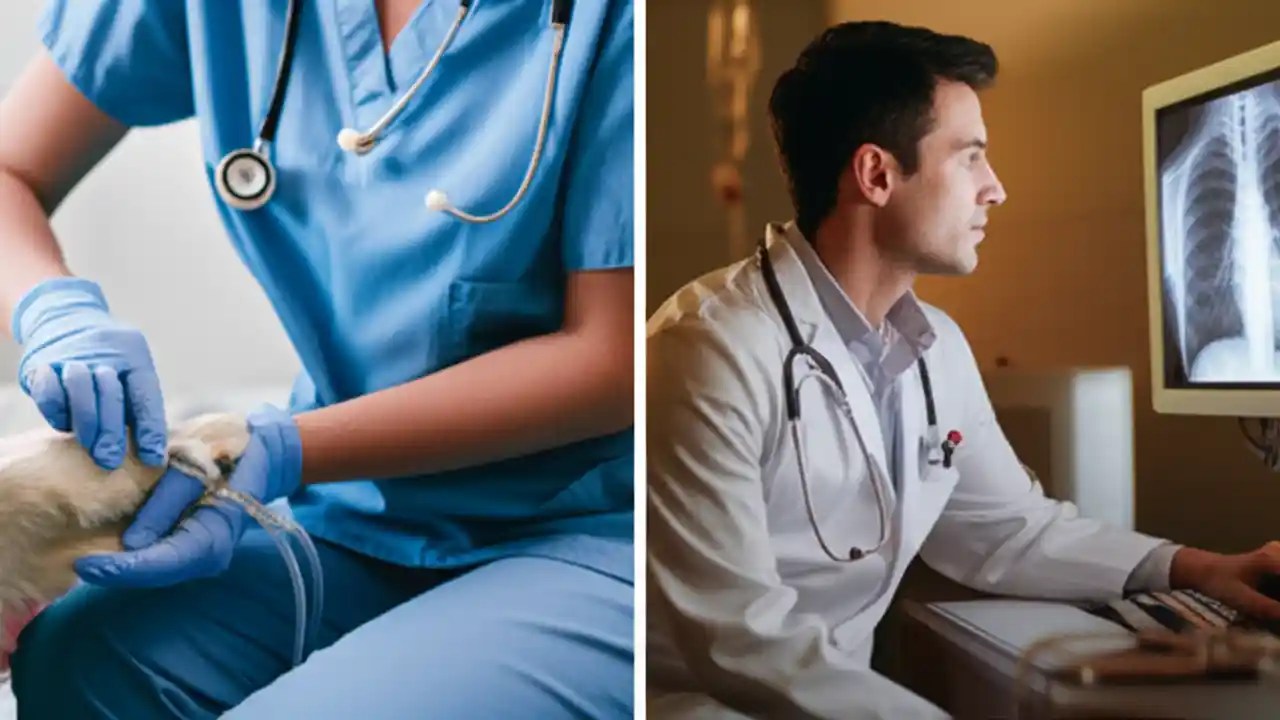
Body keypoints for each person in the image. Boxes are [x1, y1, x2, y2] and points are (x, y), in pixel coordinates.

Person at [0, 0, 634, 717]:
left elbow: (612, 362)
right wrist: (52, 311)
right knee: (80, 660)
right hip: (345, 512)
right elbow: (10, 167)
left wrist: (285, 448)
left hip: (586, 525)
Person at [646, 20, 1280, 719]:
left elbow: (1010, 531)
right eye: (971, 158)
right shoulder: (706, 351)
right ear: (877, 174)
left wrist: (1201, 568)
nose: (996, 189)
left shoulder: (933, 345)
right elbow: (742, 642)